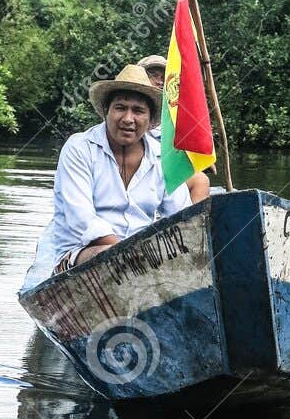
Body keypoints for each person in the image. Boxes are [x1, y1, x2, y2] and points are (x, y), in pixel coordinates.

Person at [46, 64, 191, 274]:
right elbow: (82, 219)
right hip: (83, 253)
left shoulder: (162, 157)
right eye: (120, 108)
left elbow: (181, 216)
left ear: (150, 119)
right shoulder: (79, 148)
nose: (128, 119)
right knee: (107, 255)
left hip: (144, 257)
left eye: (138, 111)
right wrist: (130, 255)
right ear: (107, 111)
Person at [137, 52, 213, 205]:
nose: (160, 81)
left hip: (165, 170)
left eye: (164, 77)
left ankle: (192, 219)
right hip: (141, 170)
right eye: (153, 76)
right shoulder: (131, 109)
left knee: (201, 180)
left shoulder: (172, 114)